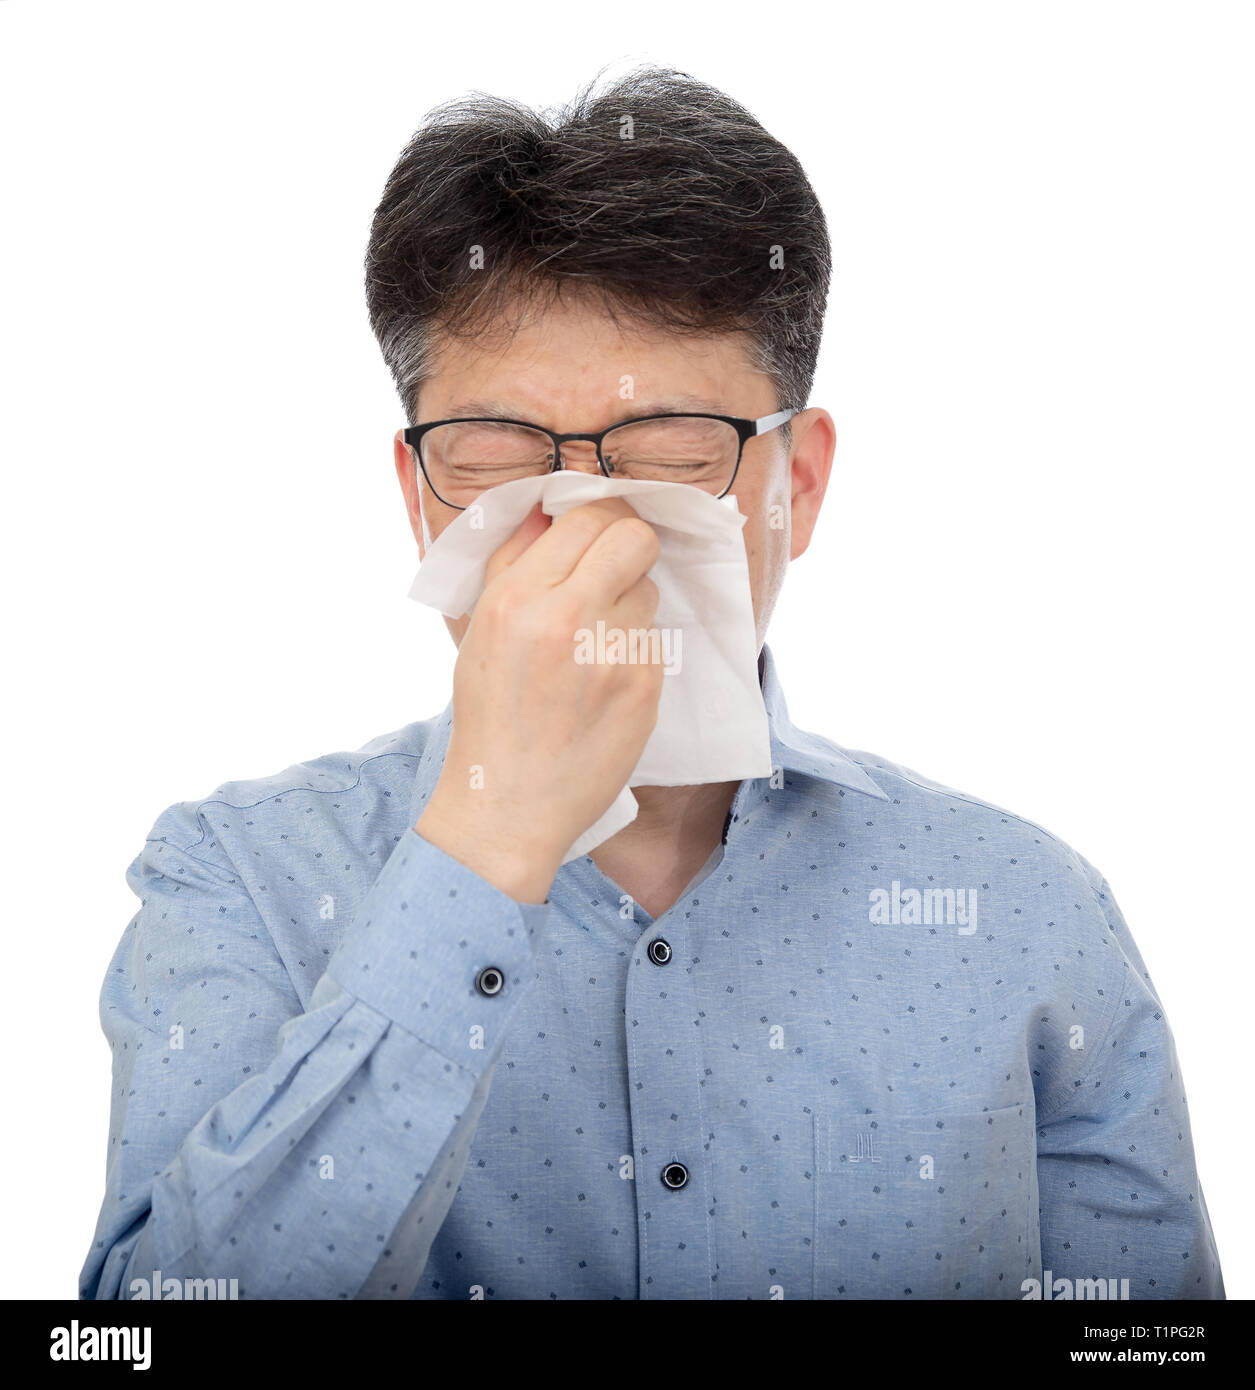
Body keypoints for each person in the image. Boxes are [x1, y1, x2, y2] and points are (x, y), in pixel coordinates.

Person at [81, 67, 1223, 1301]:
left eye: (675, 452)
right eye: (500, 457)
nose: (590, 524)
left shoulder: (1022, 913)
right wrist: (485, 836)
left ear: (800, 485)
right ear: (419, 498)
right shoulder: (240, 880)